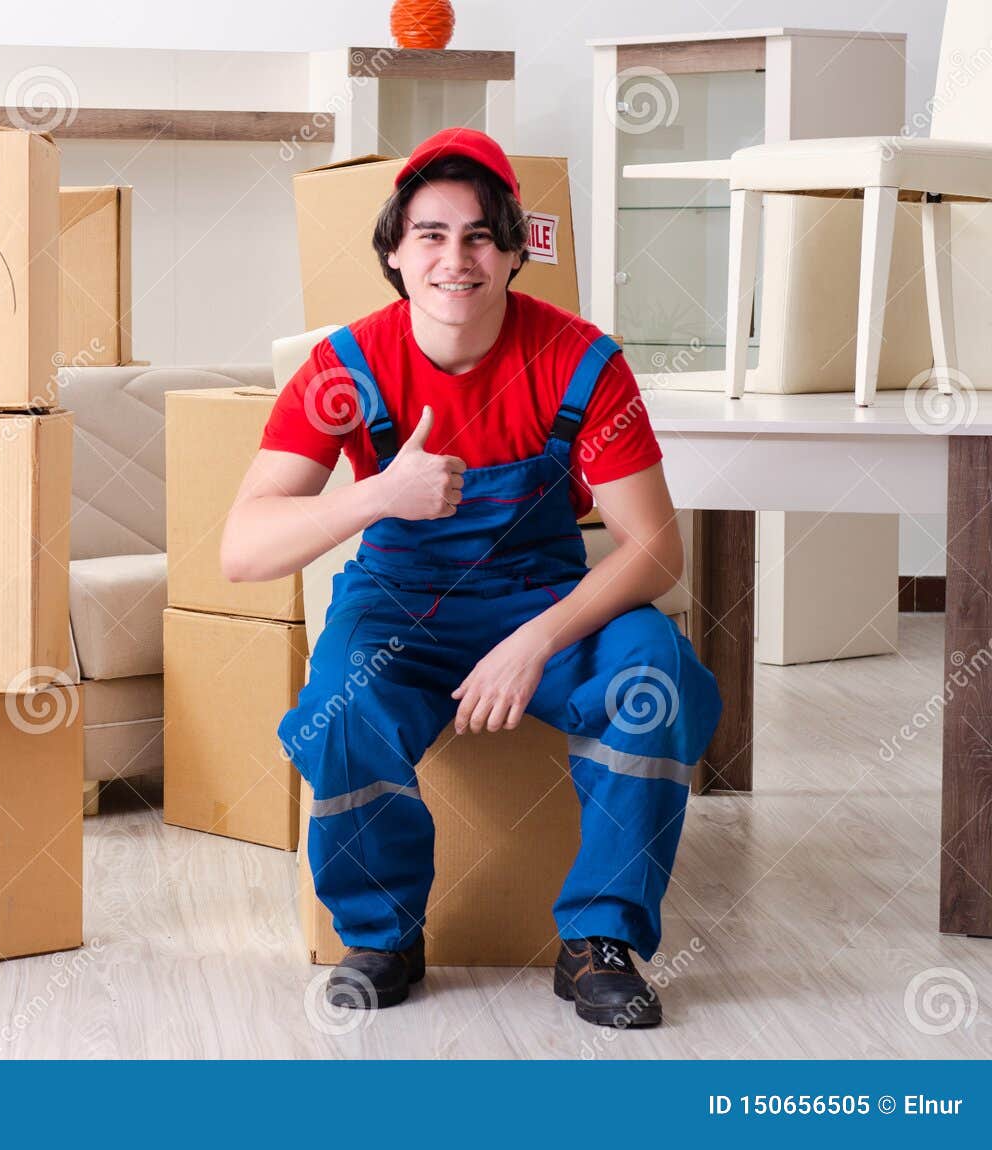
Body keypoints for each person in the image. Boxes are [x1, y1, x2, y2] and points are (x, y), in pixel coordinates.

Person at [221, 127, 723, 1025]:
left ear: (513, 251)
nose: (457, 258)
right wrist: (378, 494)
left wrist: (533, 643)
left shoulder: (582, 360)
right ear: (393, 252)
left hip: (546, 599)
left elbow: (653, 550)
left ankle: (600, 941)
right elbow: (244, 550)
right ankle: (384, 935)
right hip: (401, 611)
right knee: (338, 710)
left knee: (658, 675)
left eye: (481, 234)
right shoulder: (344, 372)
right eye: (431, 234)